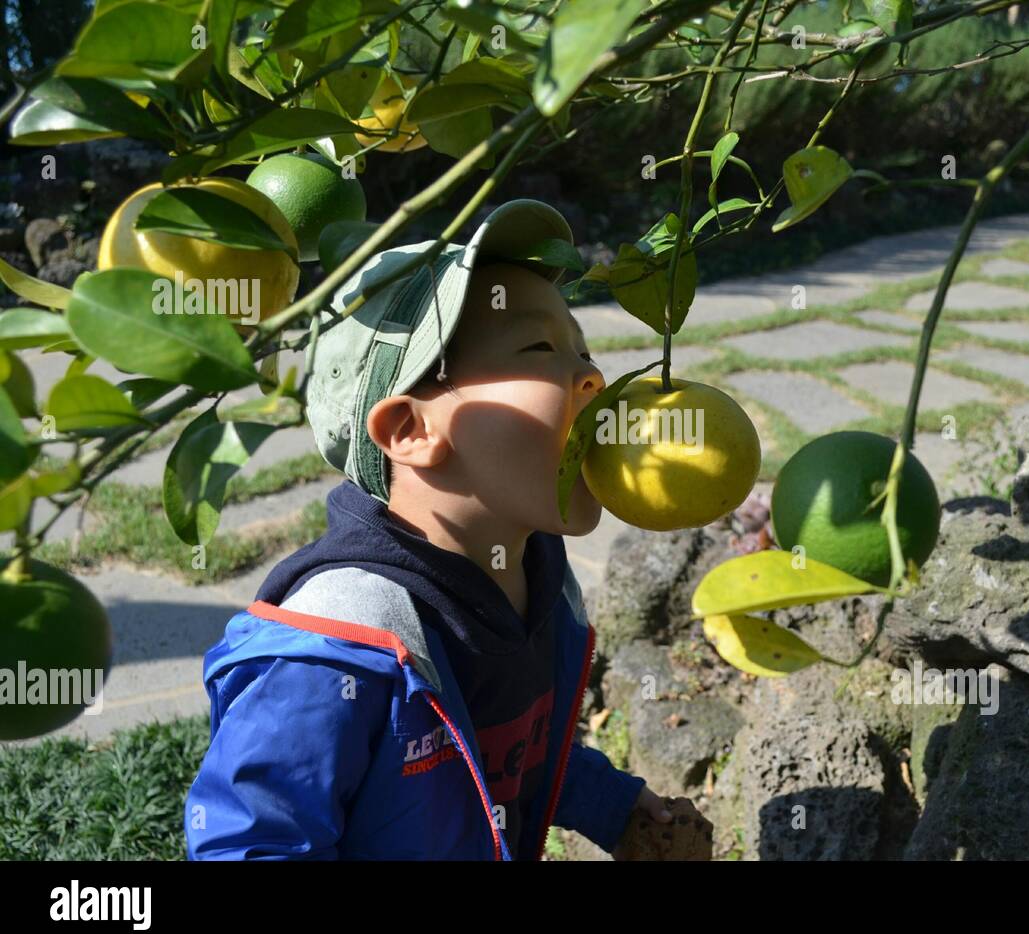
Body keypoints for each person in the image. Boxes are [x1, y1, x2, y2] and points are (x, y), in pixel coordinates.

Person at [185, 199, 673, 860]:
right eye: (540, 348)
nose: (593, 375)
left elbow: (504, 751)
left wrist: (616, 809)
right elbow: (253, 842)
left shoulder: (537, 581)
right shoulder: (332, 646)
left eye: (582, 350)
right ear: (411, 432)